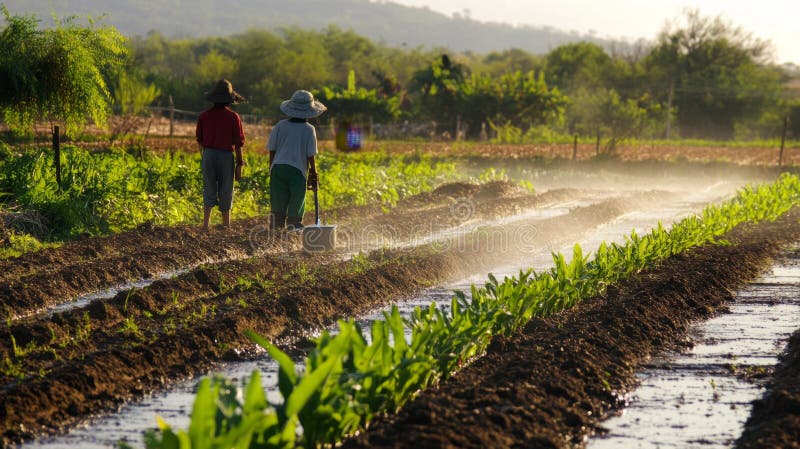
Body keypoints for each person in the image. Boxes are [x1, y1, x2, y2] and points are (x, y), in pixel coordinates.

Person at [266, 90, 326, 230]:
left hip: (278, 167)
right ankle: (294, 223)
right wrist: (313, 172)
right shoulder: (309, 129)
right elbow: (310, 155)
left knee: (278, 196)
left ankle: (276, 224)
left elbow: (272, 149)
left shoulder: (280, 125)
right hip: (297, 169)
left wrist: (271, 167)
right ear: (309, 111)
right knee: (297, 197)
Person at [195, 79, 246, 230]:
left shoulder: (204, 116)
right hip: (225, 156)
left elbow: (200, 139)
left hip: (209, 154)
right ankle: (226, 224)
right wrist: (239, 164)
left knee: (209, 186)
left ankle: (205, 225)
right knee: (226, 188)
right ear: (229, 99)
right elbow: (238, 143)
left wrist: (204, 156)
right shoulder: (233, 117)